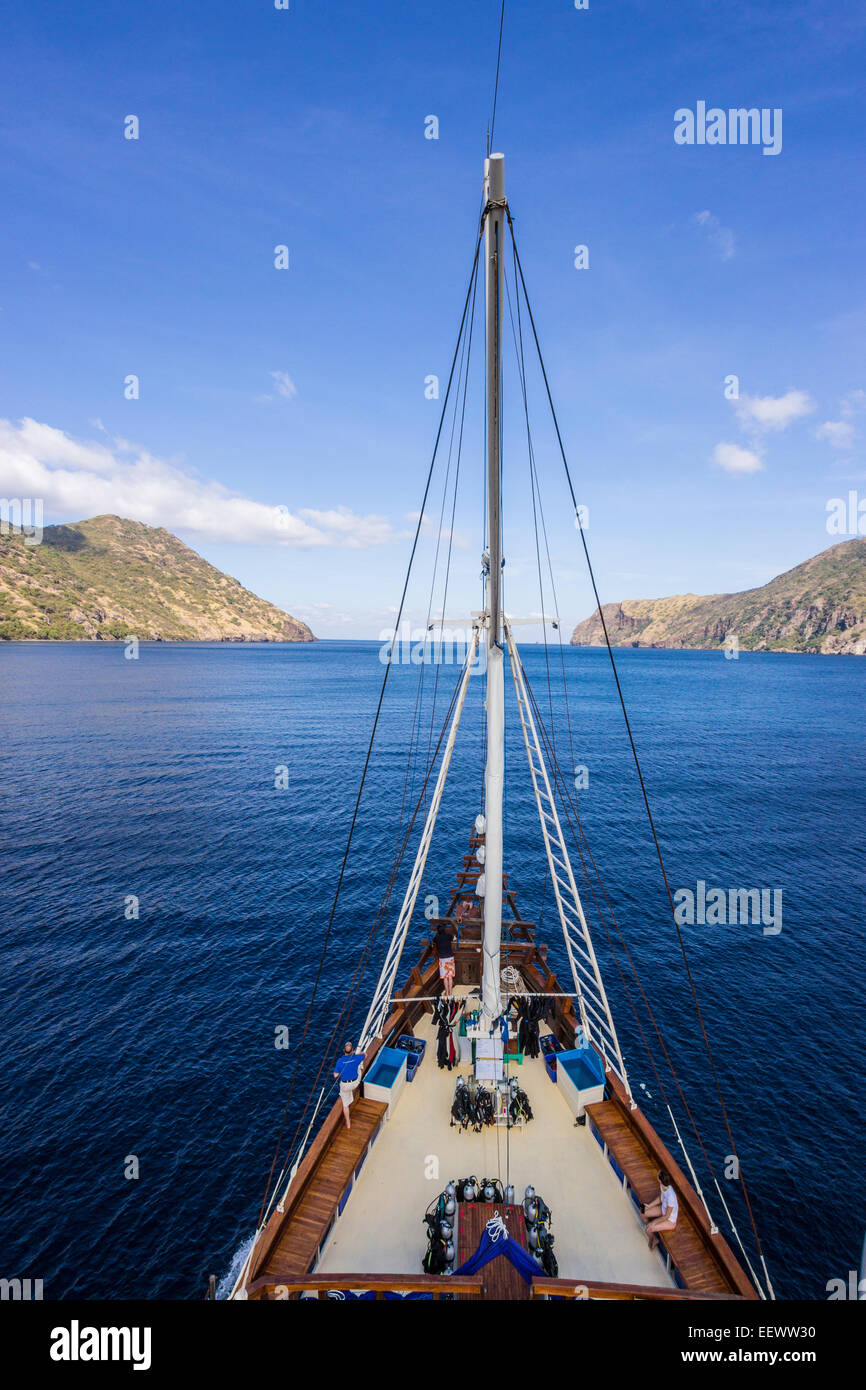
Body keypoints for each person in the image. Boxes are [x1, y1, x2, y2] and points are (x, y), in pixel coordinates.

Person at [640, 1169, 679, 1250]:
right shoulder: (663, 1186)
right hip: (663, 1209)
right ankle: (650, 1228)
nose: (657, 1174)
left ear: (660, 1180)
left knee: (648, 1229)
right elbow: (660, 1198)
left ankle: (653, 1239)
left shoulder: (671, 1197)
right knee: (642, 1212)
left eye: (658, 1174)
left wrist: (654, 1222)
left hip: (670, 1220)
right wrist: (649, 1206)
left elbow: (666, 1217)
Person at [333, 1041, 364, 1130]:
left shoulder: (340, 1061)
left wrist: (340, 1072)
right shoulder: (356, 1057)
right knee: (359, 1067)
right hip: (355, 1083)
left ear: (343, 1051)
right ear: (352, 1051)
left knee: (345, 1105)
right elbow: (365, 1055)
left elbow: (335, 1075)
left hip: (345, 1086)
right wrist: (357, 1054)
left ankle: (348, 1123)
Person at [433, 922, 457, 998]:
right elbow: (454, 938)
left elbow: (433, 942)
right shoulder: (448, 936)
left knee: (445, 977)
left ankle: (446, 992)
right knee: (450, 976)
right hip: (450, 957)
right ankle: (450, 993)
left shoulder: (437, 938)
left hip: (442, 959)